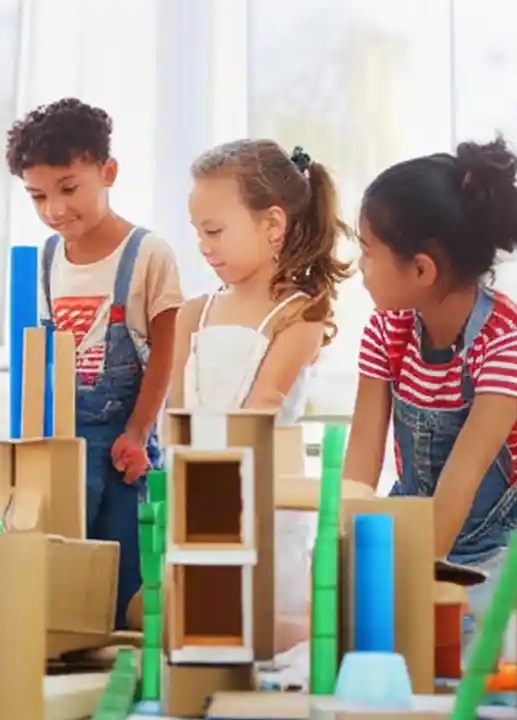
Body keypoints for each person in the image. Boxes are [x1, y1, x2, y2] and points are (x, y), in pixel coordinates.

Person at [342, 137, 517, 645]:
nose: (359, 267)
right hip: (420, 523)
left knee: (469, 667)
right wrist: (343, 547)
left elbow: (460, 483)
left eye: (366, 251)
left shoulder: (507, 344)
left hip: (501, 548)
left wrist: (407, 586)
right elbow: (362, 457)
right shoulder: (388, 330)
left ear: (422, 269)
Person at [5, 98, 183, 627]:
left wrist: (138, 429)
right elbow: (42, 353)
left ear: (107, 173)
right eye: (37, 196)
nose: (54, 210)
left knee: (125, 571)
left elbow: (167, 352)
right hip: (64, 441)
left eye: (68, 188)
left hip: (125, 442)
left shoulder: (147, 253)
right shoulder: (46, 258)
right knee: (64, 566)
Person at [172, 140, 353, 650]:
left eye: (215, 231)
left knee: (268, 628)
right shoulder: (194, 314)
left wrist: (214, 481)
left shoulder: (299, 316)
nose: (204, 246)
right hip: (200, 492)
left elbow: (263, 407)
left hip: (265, 497)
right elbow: (178, 410)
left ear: (273, 225)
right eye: (197, 233)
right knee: (201, 628)